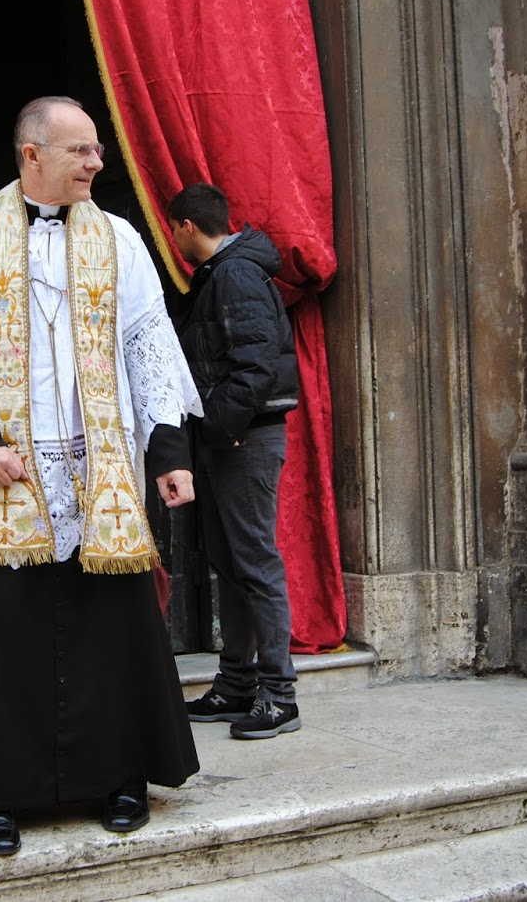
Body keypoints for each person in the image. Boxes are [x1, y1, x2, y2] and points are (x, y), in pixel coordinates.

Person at [0, 96, 203, 856]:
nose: (96, 163)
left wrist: (166, 454)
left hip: (98, 468)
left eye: (98, 149)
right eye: (81, 151)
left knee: (113, 630)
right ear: (30, 155)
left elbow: (149, 346)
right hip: (6, 472)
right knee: (2, 636)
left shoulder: (122, 241)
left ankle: (122, 776)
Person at [166, 182, 302, 740]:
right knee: (232, 565)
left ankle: (279, 696)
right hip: (230, 439)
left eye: (174, 230)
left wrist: (223, 426)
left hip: (245, 439)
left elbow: (257, 366)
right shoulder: (225, 273)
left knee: (255, 564)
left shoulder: (236, 275)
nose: (175, 239)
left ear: (186, 227)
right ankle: (237, 683)